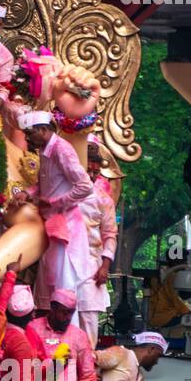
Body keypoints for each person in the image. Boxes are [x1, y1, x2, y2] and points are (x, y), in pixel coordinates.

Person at [22, 111, 94, 311]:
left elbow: (85, 186)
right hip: (50, 225)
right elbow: (42, 185)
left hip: (66, 228)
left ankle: (68, 336)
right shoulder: (45, 149)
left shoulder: (61, 149)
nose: (27, 139)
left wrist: (54, 202)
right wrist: (25, 193)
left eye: (30, 134)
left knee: (63, 290)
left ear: (43, 130)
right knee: (49, 285)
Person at [75, 144, 117, 345]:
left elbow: (110, 234)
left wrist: (105, 266)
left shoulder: (103, 200)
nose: (91, 175)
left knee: (88, 321)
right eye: (87, 170)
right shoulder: (60, 191)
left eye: (96, 172)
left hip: (92, 265)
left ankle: (87, 368)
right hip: (62, 261)